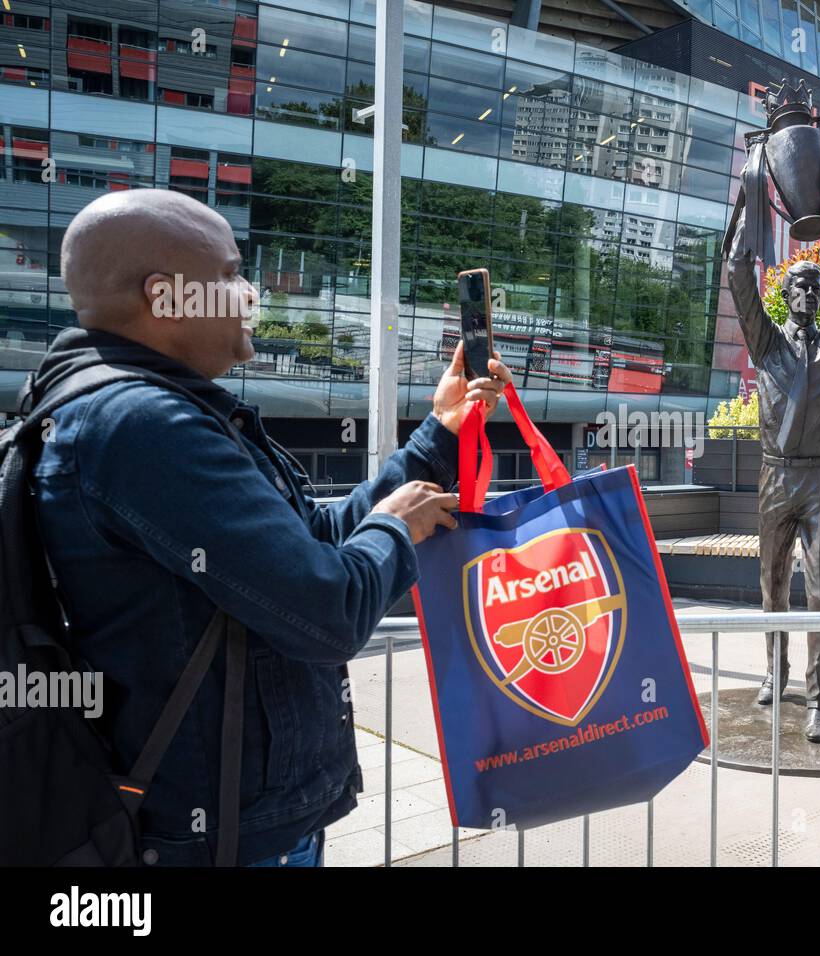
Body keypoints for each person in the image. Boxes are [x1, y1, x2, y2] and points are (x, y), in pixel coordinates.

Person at [25, 188, 510, 865]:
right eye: (229, 276)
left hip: (238, 830)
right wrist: (394, 533)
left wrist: (441, 431)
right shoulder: (141, 426)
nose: (250, 293)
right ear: (165, 297)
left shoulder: (153, 409)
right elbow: (326, 610)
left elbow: (309, 538)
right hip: (221, 843)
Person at [725, 220, 820, 744]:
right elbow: (737, 274)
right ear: (785, 295)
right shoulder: (765, 343)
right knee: (771, 588)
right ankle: (774, 672)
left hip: (818, 481)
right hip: (774, 478)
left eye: (816, 286)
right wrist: (749, 199)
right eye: (799, 285)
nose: (809, 292)